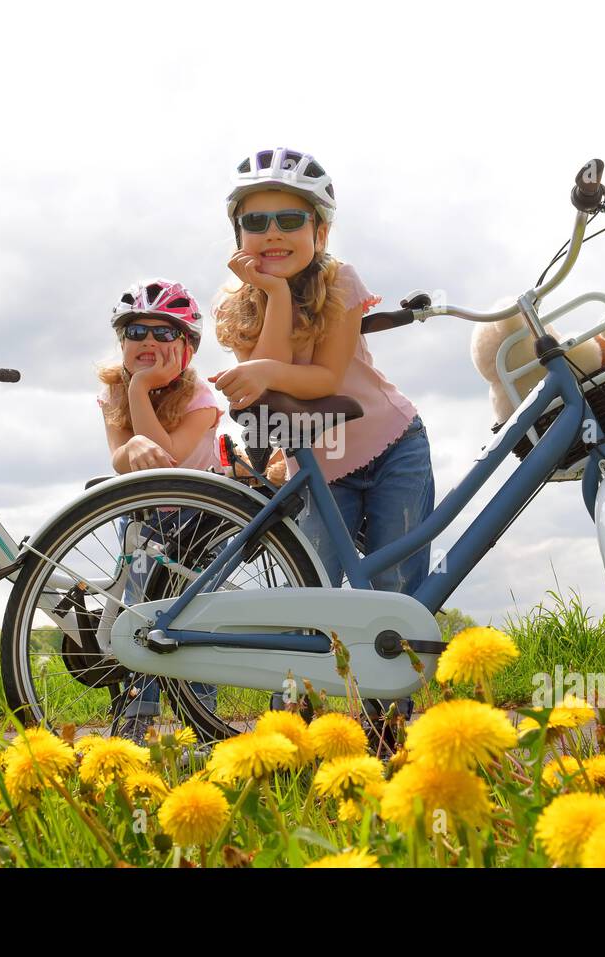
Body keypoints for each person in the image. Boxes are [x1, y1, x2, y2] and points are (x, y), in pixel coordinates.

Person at [209, 147, 436, 753]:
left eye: (291, 219)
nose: (273, 233)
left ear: (321, 229)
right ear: (238, 237)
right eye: (256, 222)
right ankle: (294, 730)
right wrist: (274, 295)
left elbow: (322, 379)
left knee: (394, 586)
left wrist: (265, 364)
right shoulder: (235, 309)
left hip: (389, 443)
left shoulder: (340, 281)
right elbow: (275, 373)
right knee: (307, 593)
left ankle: (390, 727)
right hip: (317, 464)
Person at [96, 279, 220, 743]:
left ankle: (201, 724)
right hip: (142, 519)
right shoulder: (112, 393)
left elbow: (165, 459)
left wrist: (143, 388)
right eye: (137, 332)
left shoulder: (200, 399)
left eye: (165, 334)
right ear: (122, 342)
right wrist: (133, 398)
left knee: (193, 616)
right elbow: (120, 460)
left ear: (187, 347)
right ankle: (134, 723)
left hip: (199, 521)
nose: (149, 341)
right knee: (139, 615)